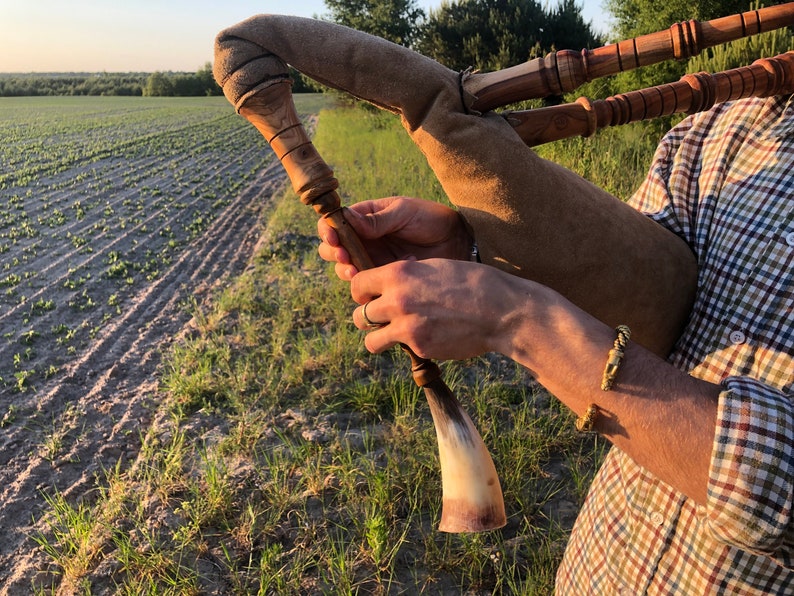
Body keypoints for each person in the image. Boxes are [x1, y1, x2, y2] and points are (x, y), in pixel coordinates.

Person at [317, 94, 794, 593]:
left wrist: (519, 321)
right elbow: (648, 309)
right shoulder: (719, 133)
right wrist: (476, 254)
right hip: (600, 568)